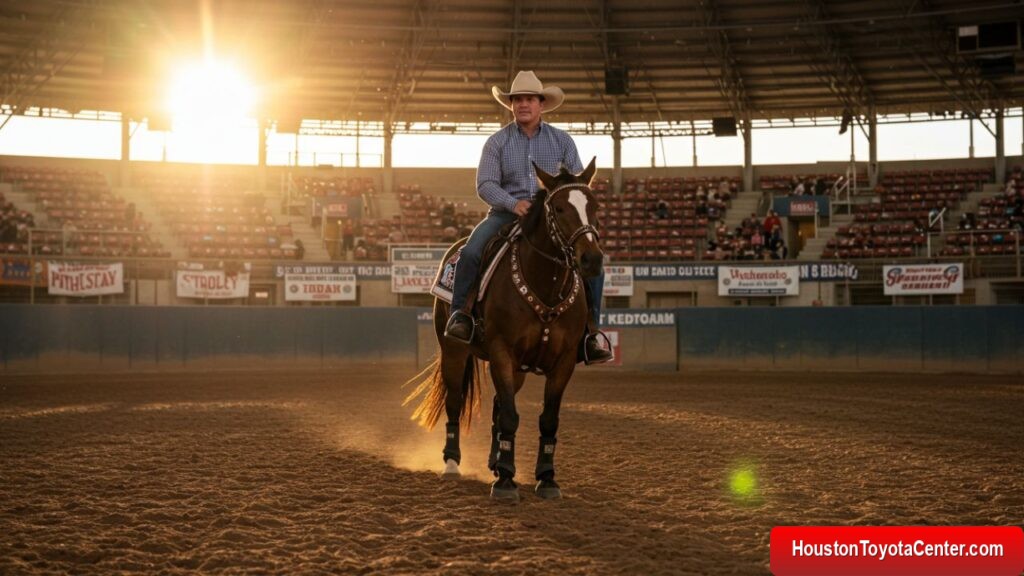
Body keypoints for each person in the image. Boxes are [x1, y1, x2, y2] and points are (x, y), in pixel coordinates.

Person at [444, 70, 612, 364]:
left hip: (551, 220)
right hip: (504, 216)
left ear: (541, 104)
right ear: (511, 105)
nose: (523, 104)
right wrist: (513, 204)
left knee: (593, 261)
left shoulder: (562, 141)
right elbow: (485, 184)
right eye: (517, 99)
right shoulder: (497, 142)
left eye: (529, 99)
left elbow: (576, 184)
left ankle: (590, 332)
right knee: (470, 252)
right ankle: (461, 316)